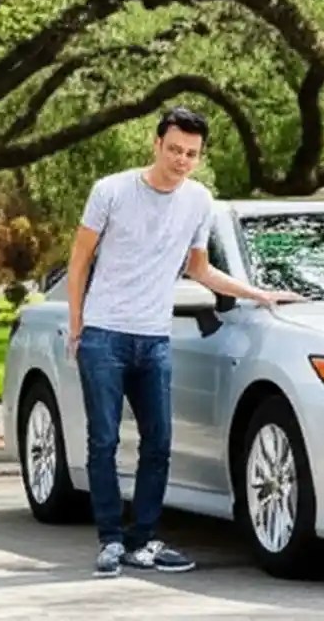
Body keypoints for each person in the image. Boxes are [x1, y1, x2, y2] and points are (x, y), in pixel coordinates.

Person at [65, 106, 303, 578]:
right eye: (174, 149)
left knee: (159, 443)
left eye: (191, 153)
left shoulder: (199, 201)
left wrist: (258, 293)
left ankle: (144, 541)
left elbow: (199, 268)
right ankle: (111, 541)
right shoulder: (111, 191)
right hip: (104, 335)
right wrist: (78, 326)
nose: (181, 160)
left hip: (154, 338)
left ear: (200, 156)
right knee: (104, 441)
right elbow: (79, 261)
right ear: (156, 145)